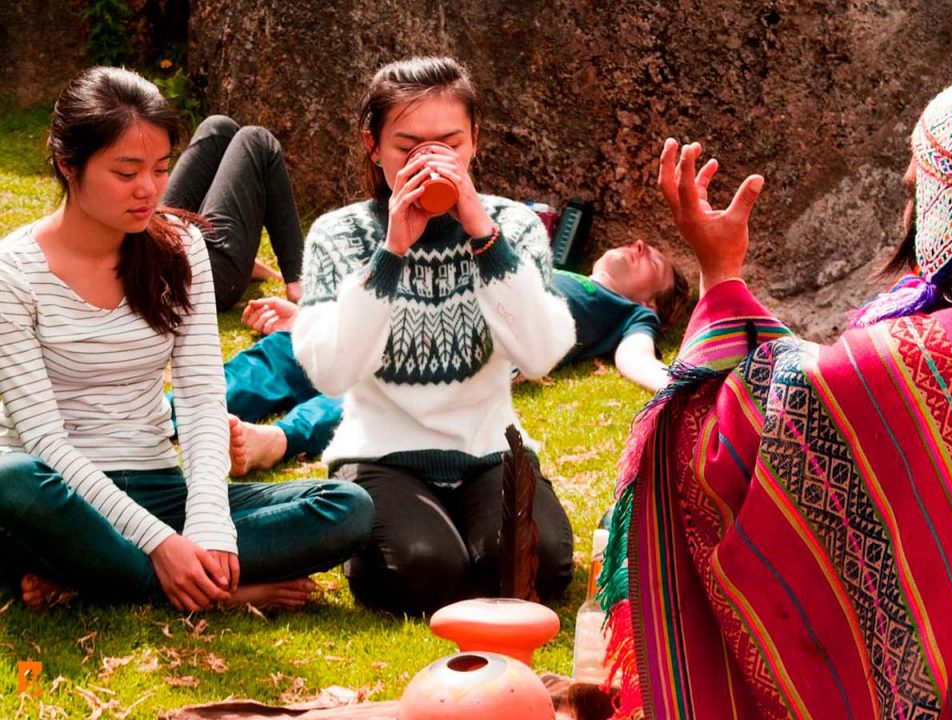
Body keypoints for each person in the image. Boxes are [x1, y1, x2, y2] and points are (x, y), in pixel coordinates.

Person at [594, 74, 952, 719]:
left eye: (917, 187)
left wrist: (720, 273)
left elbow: (730, 439)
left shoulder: (908, 357)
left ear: (948, 202)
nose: (907, 206)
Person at [0, 67, 374, 613]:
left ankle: (92, 580)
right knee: (8, 478)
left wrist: (207, 521)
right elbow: (44, 443)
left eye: (159, 168)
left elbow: (201, 399)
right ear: (67, 164)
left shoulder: (182, 249)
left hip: (157, 485)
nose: (148, 189)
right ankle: (211, 592)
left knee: (348, 505)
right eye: (126, 172)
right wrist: (162, 545)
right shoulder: (14, 272)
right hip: (59, 495)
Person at [292, 56, 577, 614]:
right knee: (423, 571)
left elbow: (542, 355)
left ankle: (465, 550)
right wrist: (391, 252)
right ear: (373, 146)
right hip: (381, 453)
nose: (430, 162)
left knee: (533, 565)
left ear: (474, 141)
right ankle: (402, 544)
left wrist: (483, 236)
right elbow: (330, 371)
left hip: (489, 449)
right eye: (408, 147)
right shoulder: (339, 233)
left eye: (448, 144)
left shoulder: (511, 226)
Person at [225, 239, 690, 475]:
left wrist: (679, 383)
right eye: (642, 244)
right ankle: (176, 411)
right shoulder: (556, 268)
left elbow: (637, 358)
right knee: (288, 351)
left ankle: (276, 441)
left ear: (651, 304)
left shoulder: (628, 315)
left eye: (655, 263)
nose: (642, 246)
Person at [162, 115, 306, 311]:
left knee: (219, 129)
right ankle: (301, 280)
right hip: (192, 276)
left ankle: (244, 263)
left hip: (157, 248)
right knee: (257, 141)